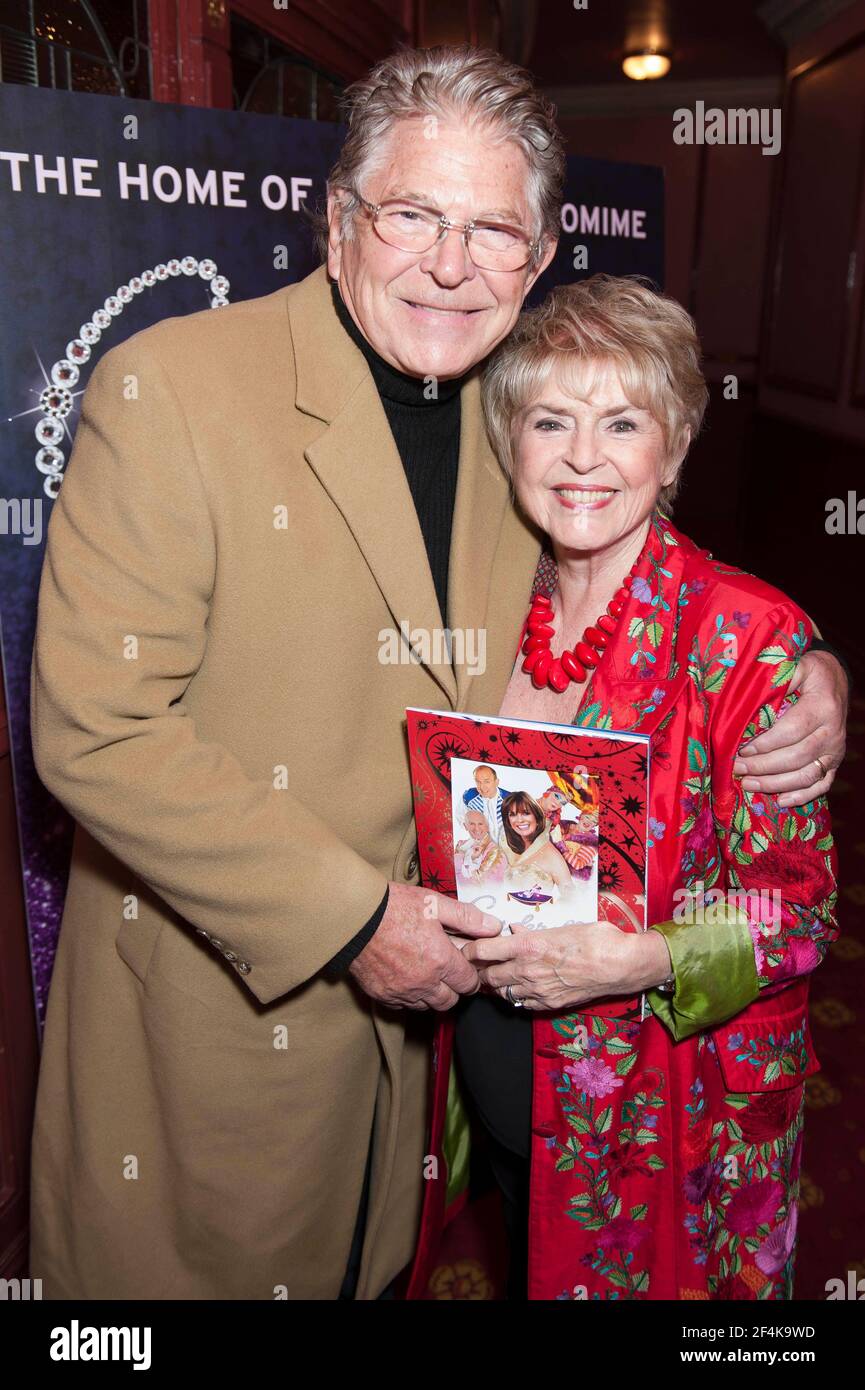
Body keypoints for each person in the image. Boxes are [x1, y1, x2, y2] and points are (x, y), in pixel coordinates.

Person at [28, 45, 846, 1301]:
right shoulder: (175, 390)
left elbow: (638, 563)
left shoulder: (505, 405)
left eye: (493, 230)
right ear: (340, 216)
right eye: (412, 215)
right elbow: (96, 727)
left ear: (538, 253)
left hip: (449, 1061)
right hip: (233, 1011)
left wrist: (805, 661)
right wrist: (358, 918)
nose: (450, 264)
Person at [411, 275, 840, 1301]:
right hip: (495, 1065)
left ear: (676, 442)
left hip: (658, 1108)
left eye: (622, 421)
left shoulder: (744, 636)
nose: (582, 458)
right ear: (508, 436)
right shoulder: (477, 601)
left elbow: (801, 909)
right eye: (549, 419)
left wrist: (643, 956)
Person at [453, 806, 506, 888]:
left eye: (480, 824)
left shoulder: (495, 850)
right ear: (465, 826)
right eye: (472, 824)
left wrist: (459, 859)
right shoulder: (461, 845)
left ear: (487, 826)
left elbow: (480, 883)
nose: (476, 828)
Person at [463, 765, 511, 840]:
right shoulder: (469, 797)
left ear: (496, 782)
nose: (482, 787)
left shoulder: (510, 799)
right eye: (478, 782)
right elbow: (461, 818)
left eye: (487, 782)